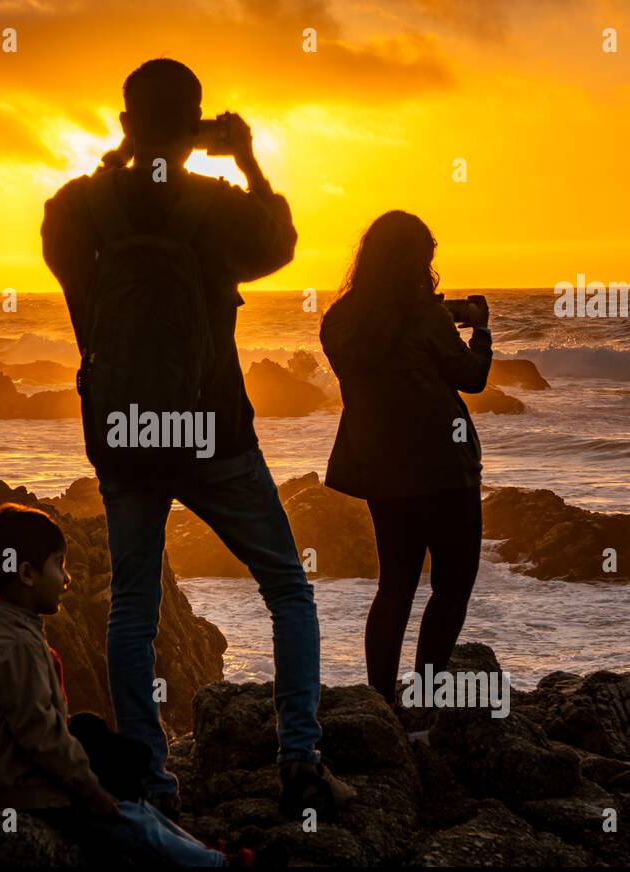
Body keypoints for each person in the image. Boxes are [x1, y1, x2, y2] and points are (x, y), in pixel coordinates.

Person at [41, 57, 354, 821]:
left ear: (123, 123)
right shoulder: (217, 209)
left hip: (122, 433)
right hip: (212, 432)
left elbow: (63, 257)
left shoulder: (77, 210)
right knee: (286, 586)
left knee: (132, 609)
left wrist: (121, 159)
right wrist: (244, 156)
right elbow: (280, 241)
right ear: (194, 128)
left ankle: (150, 782)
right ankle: (300, 759)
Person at [0, 503, 240, 866]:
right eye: (59, 565)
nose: (67, 579)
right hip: (11, 791)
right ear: (28, 574)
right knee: (123, 813)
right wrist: (88, 788)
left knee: (101, 750)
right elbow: (41, 737)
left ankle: (204, 851)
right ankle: (214, 864)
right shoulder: (13, 646)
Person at [319, 211, 492, 706]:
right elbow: (472, 376)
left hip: (383, 470)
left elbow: (388, 341)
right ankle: (430, 696)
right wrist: (479, 330)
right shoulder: (424, 316)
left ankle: (381, 702)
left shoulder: (340, 320)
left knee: (394, 588)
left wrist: (438, 314)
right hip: (444, 468)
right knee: (452, 586)